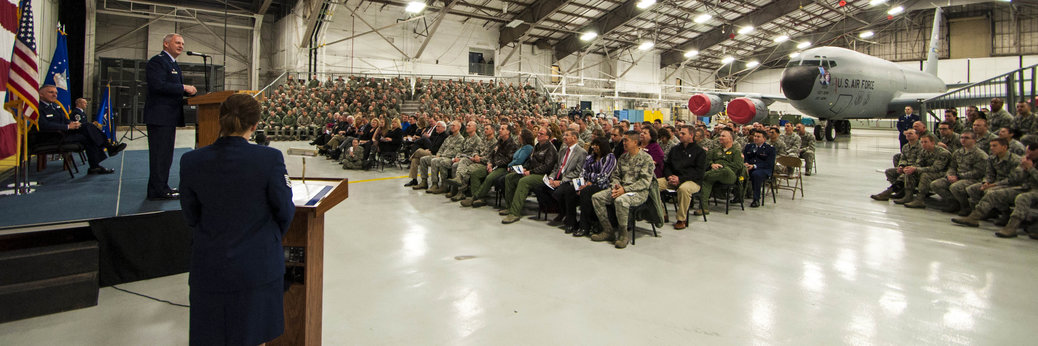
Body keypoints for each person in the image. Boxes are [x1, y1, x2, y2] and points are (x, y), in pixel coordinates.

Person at [179, 94, 294, 346]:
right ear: (254, 125)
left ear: (221, 120)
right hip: (257, 266)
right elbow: (285, 210)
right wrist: (269, 238)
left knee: (211, 336)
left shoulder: (191, 161)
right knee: (253, 337)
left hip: (210, 263)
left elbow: (190, 214)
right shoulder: (269, 159)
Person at [145, 33, 198, 200]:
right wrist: (183, 87)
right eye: (177, 42)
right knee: (160, 155)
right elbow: (158, 85)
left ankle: (161, 186)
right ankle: (157, 190)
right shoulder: (158, 62)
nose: (181, 46)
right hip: (160, 116)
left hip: (168, 116)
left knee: (165, 155)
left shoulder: (172, 63)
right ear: (166, 44)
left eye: (182, 43)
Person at [35, 85, 126, 174]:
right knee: (88, 135)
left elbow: (66, 120)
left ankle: (98, 162)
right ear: (41, 94)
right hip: (52, 136)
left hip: (64, 133)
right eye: (51, 92)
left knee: (87, 127)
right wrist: (67, 127)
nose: (54, 95)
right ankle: (106, 151)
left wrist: (74, 124)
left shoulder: (55, 106)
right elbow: (43, 125)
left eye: (56, 93)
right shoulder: (38, 108)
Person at [590, 130, 655, 249]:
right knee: (597, 197)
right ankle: (608, 230)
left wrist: (624, 189)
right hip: (620, 189)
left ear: (635, 142)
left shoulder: (646, 159)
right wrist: (616, 186)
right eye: (623, 140)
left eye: (626, 140)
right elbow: (615, 175)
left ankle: (623, 234)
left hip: (638, 192)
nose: (624, 143)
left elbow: (644, 182)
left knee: (621, 201)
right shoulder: (623, 157)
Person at [953, 138, 1023, 227]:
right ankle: (987, 212)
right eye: (990, 146)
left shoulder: (1015, 160)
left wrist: (993, 184)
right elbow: (989, 174)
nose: (992, 148)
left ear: (1004, 147)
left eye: (995, 146)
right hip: (996, 183)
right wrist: (986, 182)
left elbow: (1013, 179)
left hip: (1012, 185)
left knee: (991, 192)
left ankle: (1004, 214)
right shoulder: (992, 158)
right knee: (972, 189)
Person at [501, 127, 558, 224]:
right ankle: (509, 207)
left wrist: (531, 172)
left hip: (543, 176)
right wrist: (525, 168)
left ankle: (515, 213)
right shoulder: (537, 146)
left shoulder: (551, 149)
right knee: (510, 177)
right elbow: (530, 160)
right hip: (532, 171)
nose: (538, 135)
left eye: (541, 134)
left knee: (524, 181)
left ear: (547, 137)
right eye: (538, 133)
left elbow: (547, 167)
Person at [538, 129, 588, 232]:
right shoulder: (563, 150)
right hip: (558, 177)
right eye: (564, 134)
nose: (564, 137)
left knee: (561, 191)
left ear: (574, 138)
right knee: (540, 188)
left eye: (567, 135)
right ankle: (561, 211)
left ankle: (567, 216)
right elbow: (557, 167)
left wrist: (561, 181)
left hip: (570, 180)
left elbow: (577, 172)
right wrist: (551, 178)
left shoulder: (581, 152)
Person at [659, 125, 706, 230]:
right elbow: (667, 165)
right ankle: (661, 213)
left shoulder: (700, 152)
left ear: (691, 135)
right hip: (673, 178)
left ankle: (681, 219)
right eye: (679, 133)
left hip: (692, 181)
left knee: (684, 189)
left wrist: (680, 179)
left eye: (683, 134)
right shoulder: (675, 149)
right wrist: (669, 176)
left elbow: (698, 172)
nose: (680, 135)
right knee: (653, 184)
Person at [930, 130, 988, 214]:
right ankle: (954, 203)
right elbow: (952, 167)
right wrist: (950, 175)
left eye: (967, 138)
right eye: (962, 138)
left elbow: (978, 172)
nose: (963, 140)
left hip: (973, 179)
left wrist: (958, 176)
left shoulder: (980, 154)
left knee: (955, 187)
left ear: (974, 140)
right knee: (935, 184)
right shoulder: (958, 152)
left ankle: (966, 206)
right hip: (957, 177)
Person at [699, 128, 743, 216]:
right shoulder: (715, 150)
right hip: (714, 174)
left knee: (724, 170)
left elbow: (738, 165)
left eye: (723, 136)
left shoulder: (736, 151)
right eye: (720, 136)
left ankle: (701, 176)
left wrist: (723, 166)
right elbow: (707, 160)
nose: (720, 138)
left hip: (729, 175)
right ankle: (703, 208)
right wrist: (712, 164)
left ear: (730, 139)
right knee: (706, 181)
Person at [901, 134, 951, 208]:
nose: (923, 144)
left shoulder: (942, 153)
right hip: (929, 170)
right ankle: (908, 196)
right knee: (910, 172)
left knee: (925, 175)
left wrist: (916, 169)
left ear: (932, 143)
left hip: (943, 173)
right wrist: (911, 168)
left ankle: (920, 199)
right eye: (922, 142)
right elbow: (918, 163)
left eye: (925, 142)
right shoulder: (923, 151)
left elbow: (936, 168)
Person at [743, 129, 775, 208]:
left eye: (758, 137)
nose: (755, 138)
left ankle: (756, 199)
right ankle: (739, 196)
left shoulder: (770, 149)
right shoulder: (749, 146)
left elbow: (768, 163)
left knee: (756, 174)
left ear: (764, 139)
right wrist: (746, 164)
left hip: (763, 169)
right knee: (740, 172)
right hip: (749, 168)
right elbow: (745, 158)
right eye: (755, 136)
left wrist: (754, 166)